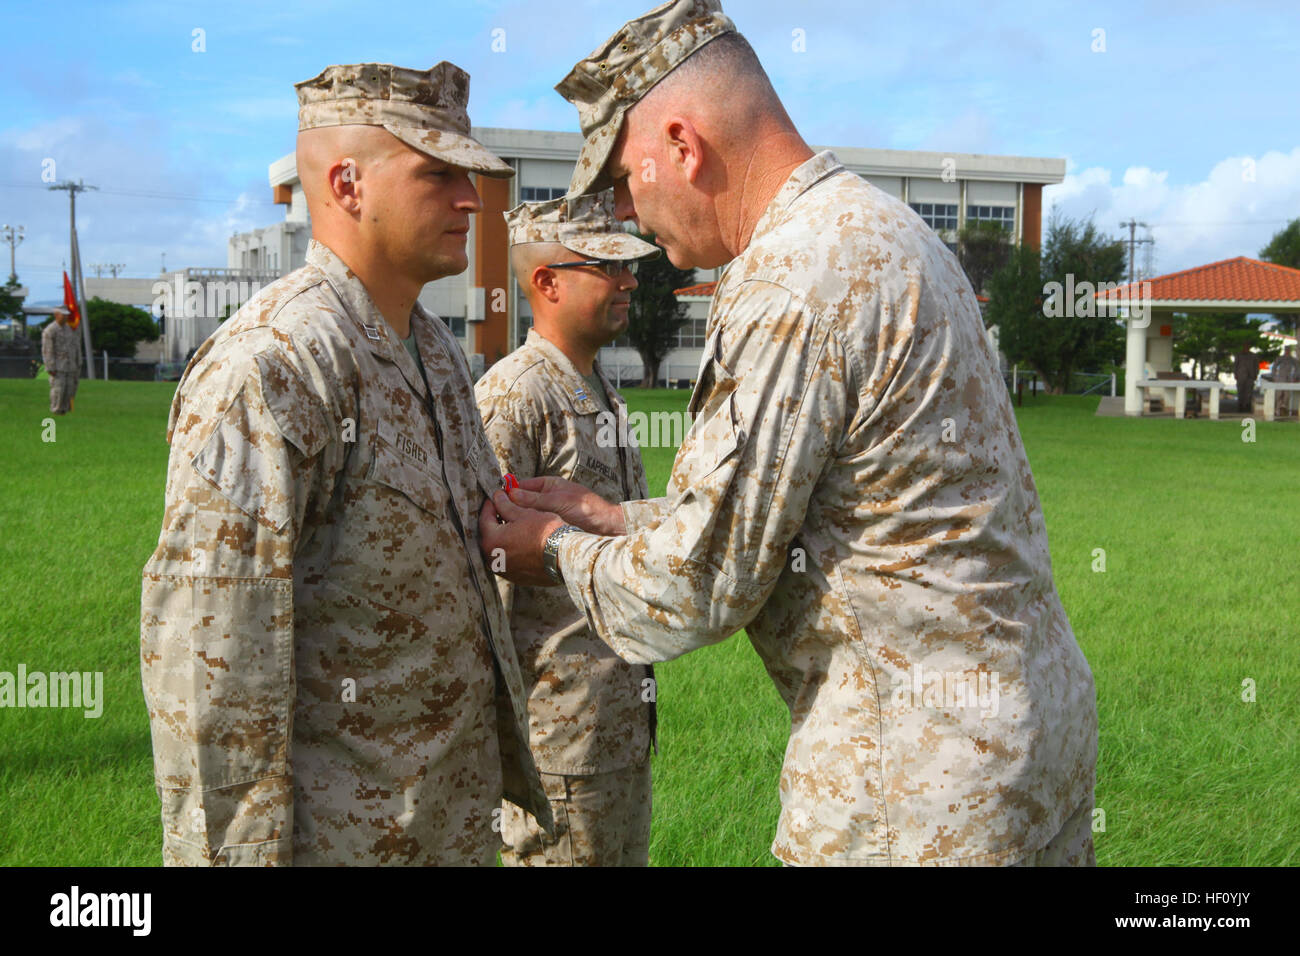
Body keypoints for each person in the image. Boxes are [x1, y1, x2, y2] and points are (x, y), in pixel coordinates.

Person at [481, 0, 1098, 867]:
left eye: (624, 178)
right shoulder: (890, 232)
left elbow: (697, 589)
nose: (628, 213)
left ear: (685, 146)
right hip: (1022, 738)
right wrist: (616, 519)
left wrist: (552, 546)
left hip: (915, 783)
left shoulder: (790, 280)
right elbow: (834, 506)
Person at [140, 60, 550, 866]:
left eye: (469, 175)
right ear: (347, 184)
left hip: (447, 824)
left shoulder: (431, 349)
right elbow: (212, 674)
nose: (470, 199)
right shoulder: (273, 367)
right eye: (438, 174)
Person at [475, 192, 660, 865]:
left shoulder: (596, 389)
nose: (629, 281)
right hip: (557, 743)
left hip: (617, 727)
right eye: (607, 266)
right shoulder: (515, 396)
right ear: (545, 283)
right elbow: (482, 578)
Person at [41, 307, 80, 414]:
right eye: (64, 315)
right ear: (57, 315)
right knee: (59, 389)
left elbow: (75, 346)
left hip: (70, 365)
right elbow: (47, 350)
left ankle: (65, 409)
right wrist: (50, 367)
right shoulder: (50, 330)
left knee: (70, 389)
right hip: (58, 366)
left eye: (67, 315)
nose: (66, 317)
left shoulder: (69, 328)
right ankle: (56, 409)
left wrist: (77, 363)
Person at [1271, 345, 1298, 416]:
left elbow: (1297, 369)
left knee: (1287, 395)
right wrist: (1274, 377)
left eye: (1288, 350)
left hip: (1289, 379)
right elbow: (1274, 367)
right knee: (1278, 395)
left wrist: (1295, 377)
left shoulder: (1293, 360)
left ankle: (1284, 408)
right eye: (1286, 350)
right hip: (1280, 379)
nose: (1287, 351)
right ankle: (1277, 410)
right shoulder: (1280, 358)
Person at [1234, 345, 1258, 414]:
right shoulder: (1239, 355)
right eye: (1245, 346)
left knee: (1249, 391)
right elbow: (1235, 365)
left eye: (1247, 346)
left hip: (1250, 376)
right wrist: (1235, 374)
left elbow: (1256, 366)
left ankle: (1247, 406)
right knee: (1240, 391)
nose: (1246, 348)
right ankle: (1240, 405)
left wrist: (1256, 374)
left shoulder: (1253, 355)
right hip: (1240, 376)